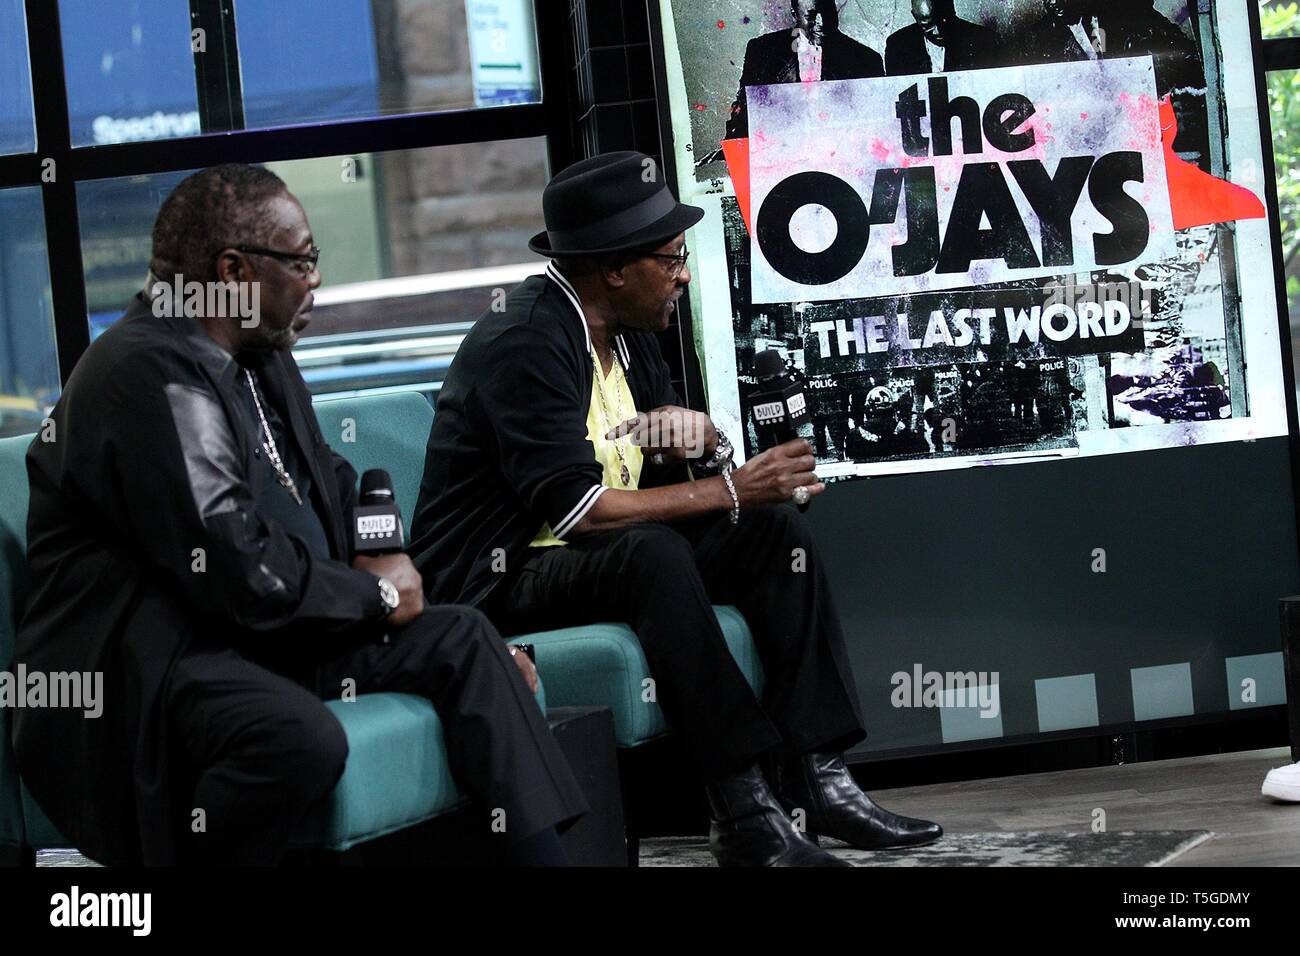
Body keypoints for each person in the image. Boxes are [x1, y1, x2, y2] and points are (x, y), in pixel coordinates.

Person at [12, 164, 588, 866]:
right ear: (233, 269)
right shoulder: (149, 375)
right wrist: (376, 596)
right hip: (150, 672)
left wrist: (386, 557)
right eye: (304, 260)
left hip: (257, 639)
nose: (315, 278)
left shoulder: (260, 359)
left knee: (466, 638)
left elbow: (337, 486)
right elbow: (237, 567)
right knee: (296, 736)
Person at [409, 150, 942, 867]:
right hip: (498, 577)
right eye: (672, 257)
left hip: (583, 556)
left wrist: (708, 447)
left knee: (770, 532)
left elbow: (644, 452)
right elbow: (578, 514)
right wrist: (728, 490)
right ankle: (743, 807)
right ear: (614, 268)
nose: (684, 273)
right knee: (654, 553)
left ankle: (821, 777)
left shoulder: (629, 333)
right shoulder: (526, 342)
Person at [700, 0, 884, 165]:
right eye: (811, 15)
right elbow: (745, 106)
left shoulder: (867, 60)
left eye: (827, 13)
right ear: (794, 14)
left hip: (843, 162)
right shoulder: (762, 51)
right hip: (780, 161)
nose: (821, 21)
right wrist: (734, 144)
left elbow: (878, 123)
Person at [885, 0, 999, 76]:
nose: (938, 31)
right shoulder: (897, 46)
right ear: (915, 17)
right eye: (927, 25)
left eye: (943, 21)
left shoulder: (984, 41)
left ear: (952, 12)